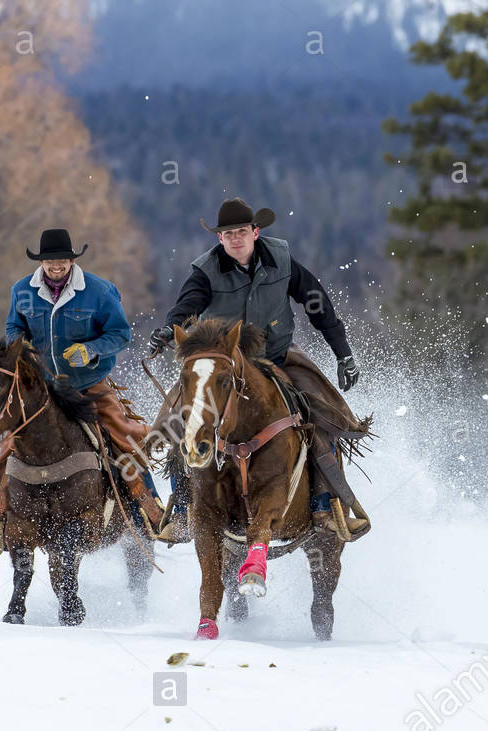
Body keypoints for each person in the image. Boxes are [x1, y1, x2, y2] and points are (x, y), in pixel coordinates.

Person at [146, 198, 370, 543]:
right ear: (220, 239)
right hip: (222, 363)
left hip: (276, 357)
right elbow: (187, 304)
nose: (235, 239)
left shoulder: (281, 260)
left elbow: (318, 303)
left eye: (241, 232)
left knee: (323, 414)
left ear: (255, 232)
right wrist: (169, 327)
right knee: (180, 419)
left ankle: (325, 506)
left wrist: (343, 354)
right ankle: (181, 511)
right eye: (227, 234)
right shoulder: (205, 270)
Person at [0, 229, 164, 556]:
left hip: (89, 383)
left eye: (61, 260)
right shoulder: (22, 291)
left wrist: (91, 349)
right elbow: (14, 328)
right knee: (10, 444)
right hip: (40, 386)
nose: (56, 266)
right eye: (50, 261)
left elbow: (120, 334)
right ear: (41, 262)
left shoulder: (99, 292)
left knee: (123, 436)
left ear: (72, 260)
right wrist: (23, 346)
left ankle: (150, 510)